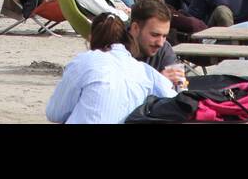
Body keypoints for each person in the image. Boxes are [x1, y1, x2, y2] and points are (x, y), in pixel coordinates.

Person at [45, 13, 175, 124]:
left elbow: (55, 113)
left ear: (92, 38)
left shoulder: (85, 61)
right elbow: (174, 100)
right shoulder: (145, 71)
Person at [128, 0, 187, 86]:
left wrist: (180, 85)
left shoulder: (164, 49)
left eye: (164, 36)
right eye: (155, 35)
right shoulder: (113, 50)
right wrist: (157, 82)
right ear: (135, 28)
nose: (160, 43)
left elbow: (181, 89)